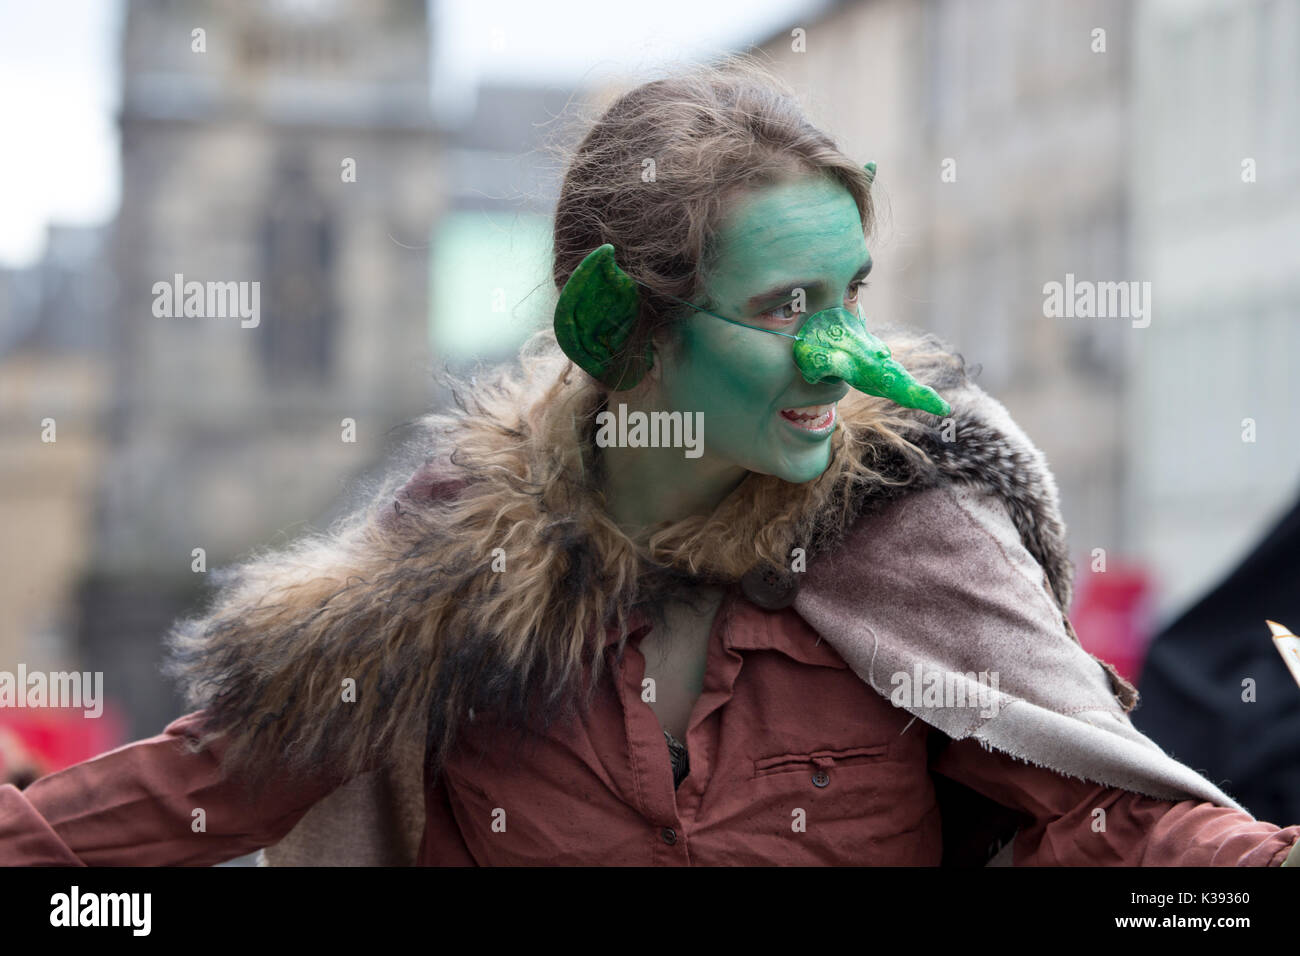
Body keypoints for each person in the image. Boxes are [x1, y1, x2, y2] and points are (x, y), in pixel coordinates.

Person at [3, 56, 1299, 867]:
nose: (844, 357)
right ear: (623, 333)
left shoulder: (919, 530)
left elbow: (1109, 823)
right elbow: (198, 796)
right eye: (788, 309)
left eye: (853, 293)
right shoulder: (448, 578)